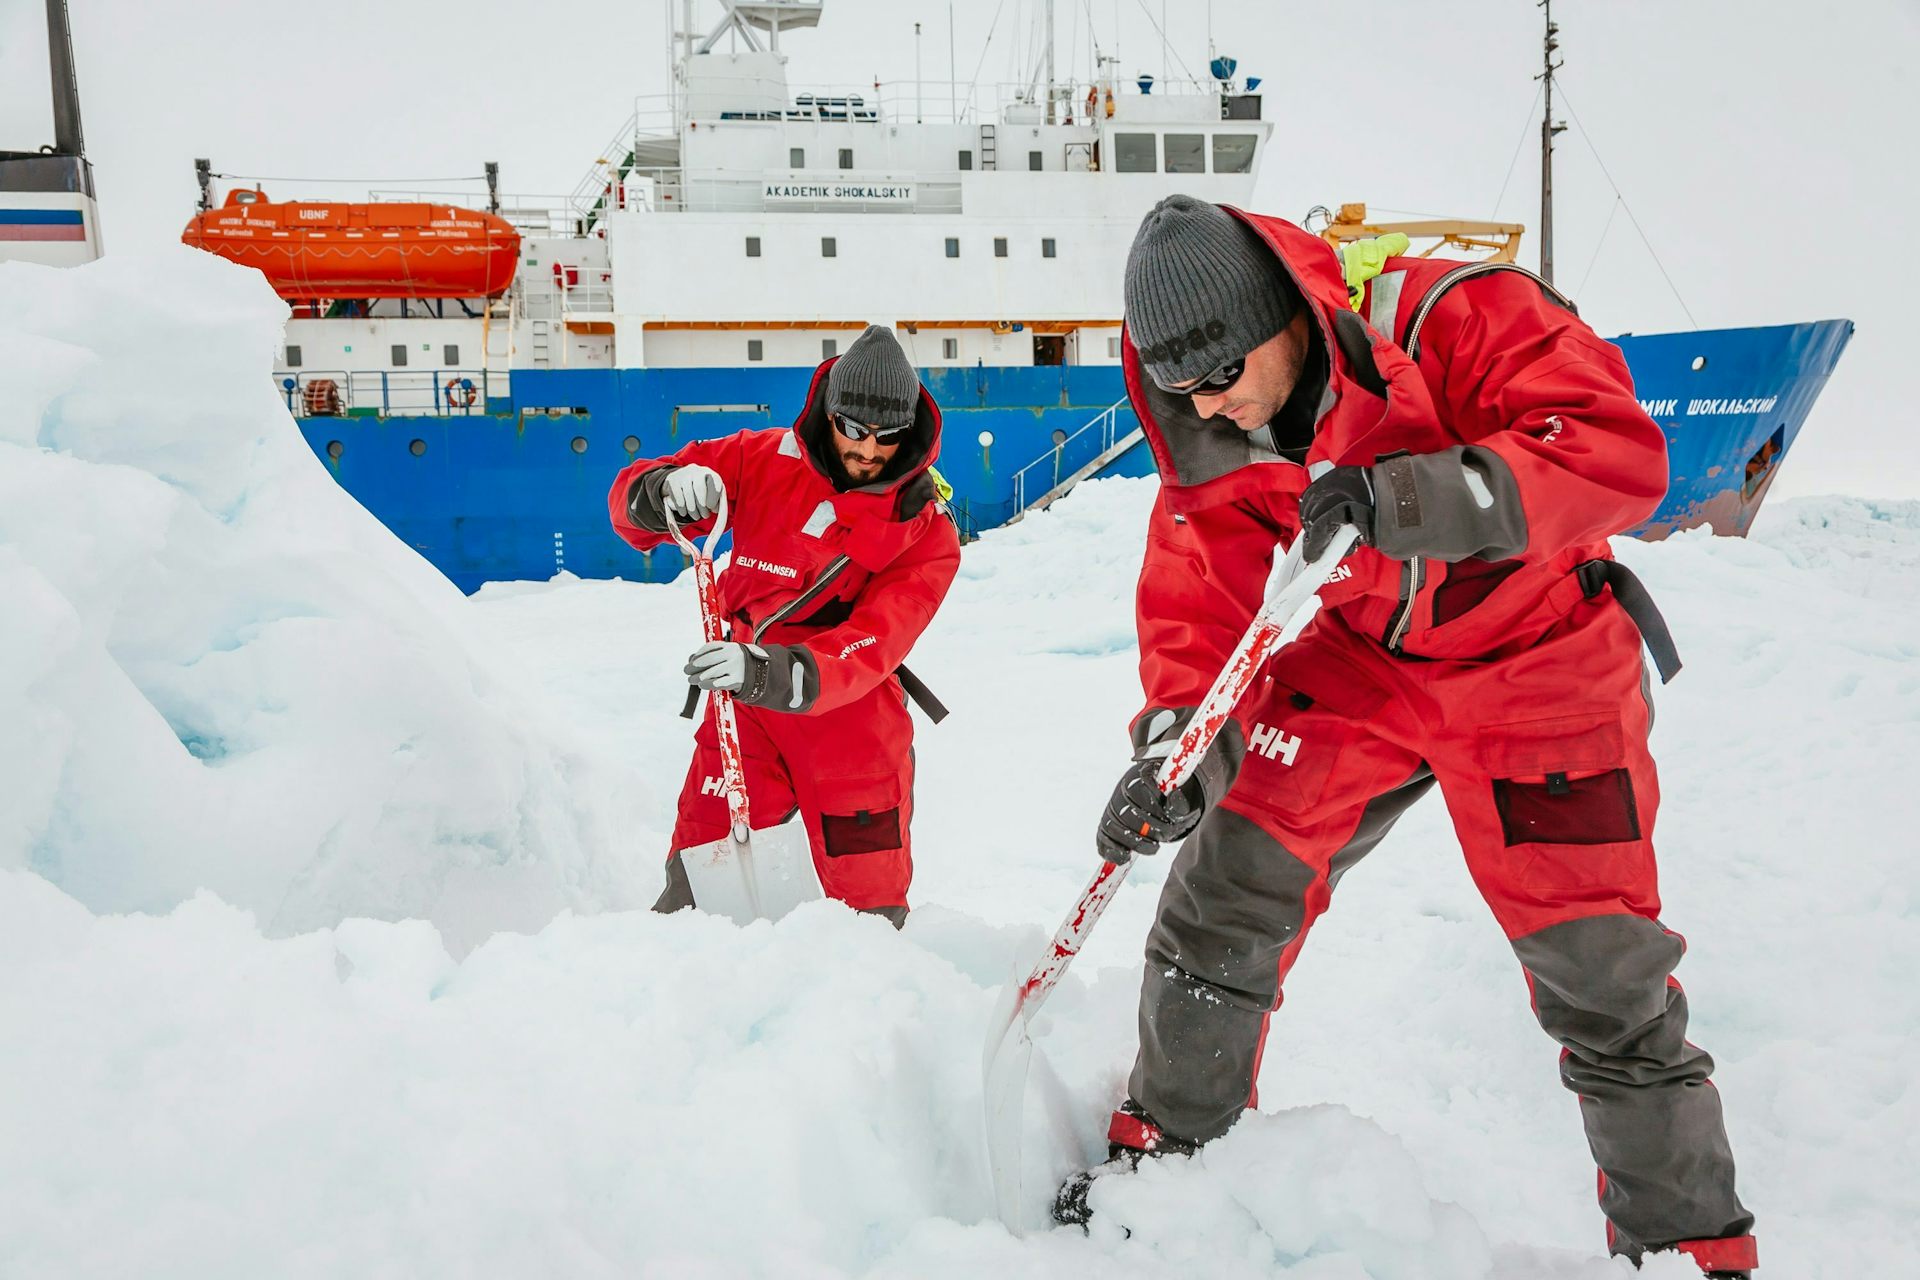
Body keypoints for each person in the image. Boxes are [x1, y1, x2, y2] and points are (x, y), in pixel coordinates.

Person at [1058, 196, 1756, 1279]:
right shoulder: (1207, 436)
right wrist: (1176, 752)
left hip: (1537, 658)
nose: (1211, 401)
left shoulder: (1454, 314)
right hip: (1351, 670)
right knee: (1223, 895)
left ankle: (1693, 1249)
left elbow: (1620, 453)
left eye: (1225, 368)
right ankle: (1168, 1172)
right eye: (1183, 384)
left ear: (1285, 312)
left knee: (1604, 977)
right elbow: (1203, 615)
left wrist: (1415, 496)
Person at [607, 325, 960, 925]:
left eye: (888, 437)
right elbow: (631, 512)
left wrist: (769, 672)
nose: (869, 449)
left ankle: (873, 1004)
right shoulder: (760, 459)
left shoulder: (927, 534)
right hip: (743, 705)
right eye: (853, 429)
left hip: (850, 718)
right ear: (829, 415)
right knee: (703, 872)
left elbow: (874, 642)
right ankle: (686, 990)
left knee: (868, 904)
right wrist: (661, 488)